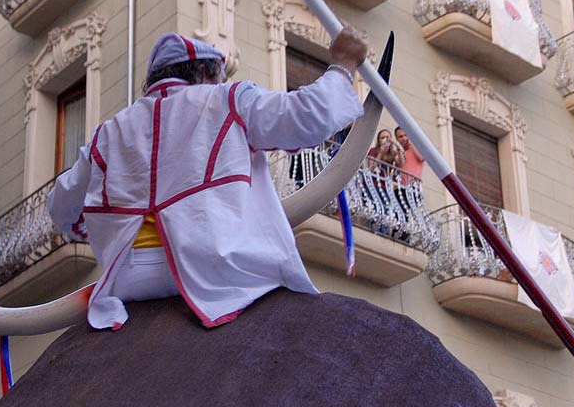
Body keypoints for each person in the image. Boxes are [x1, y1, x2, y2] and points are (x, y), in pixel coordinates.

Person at [48, 28, 370, 330]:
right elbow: (307, 116)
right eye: (220, 75)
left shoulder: (108, 133)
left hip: (128, 278)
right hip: (217, 267)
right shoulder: (227, 99)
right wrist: (343, 64)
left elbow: (62, 209)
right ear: (204, 74)